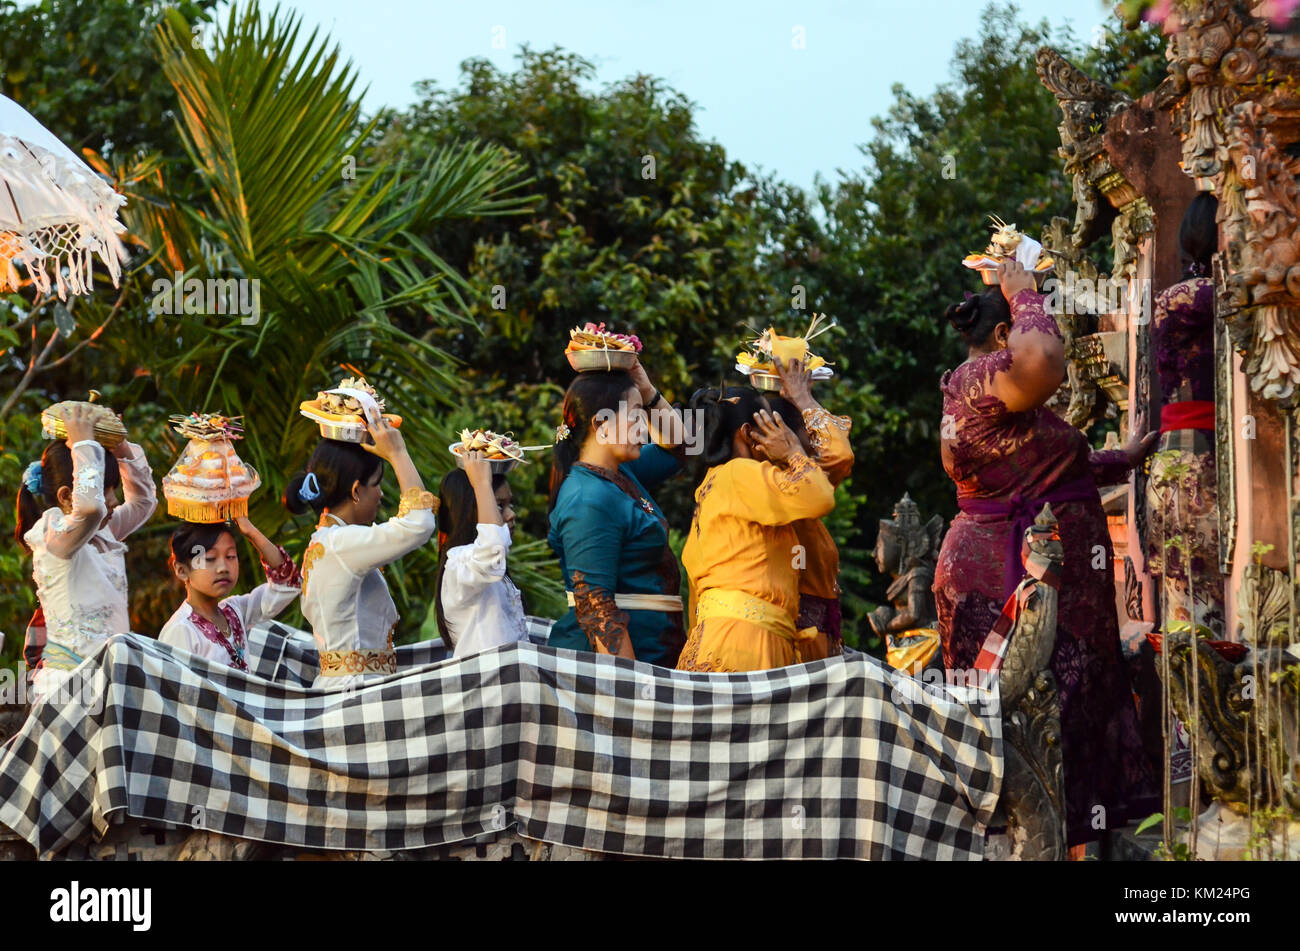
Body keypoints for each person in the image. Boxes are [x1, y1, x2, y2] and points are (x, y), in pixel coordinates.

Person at [934, 259, 1159, 850]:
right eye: (1036, 324)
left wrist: (1123, 459)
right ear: (1007, 335)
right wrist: (1026, 293)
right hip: (1009, 576)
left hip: (1037, 571)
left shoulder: (1000, 401)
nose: (1045, 330)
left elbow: (1051, 467)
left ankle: (1060, 838)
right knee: (1028, 714)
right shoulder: (980, 378)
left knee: (1059, 711)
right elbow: (1044, 362)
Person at [676, 388, 836, 672]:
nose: (781, 433)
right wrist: (793, 452)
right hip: (748, 644)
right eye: (772, 424)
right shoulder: (741, 473)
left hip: (711, 641)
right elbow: (820, 496)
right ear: (749, 432)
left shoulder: (709, 487)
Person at [15, 403, 157, 702]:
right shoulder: (53, 537)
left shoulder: (104, 531)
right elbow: (91, 508)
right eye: (108, 488)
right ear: (67, 496)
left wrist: (119, 447)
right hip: (68, 693)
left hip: (110, 686)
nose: (115, 500)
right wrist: (84, 442)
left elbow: (144, 503)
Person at [547, 362, 687, 665]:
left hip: (653, 654)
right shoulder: (589, 498)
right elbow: (597, 609)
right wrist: (630, 692)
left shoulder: (623, 472)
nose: (645, 425)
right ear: (601, 425)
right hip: (620, 669)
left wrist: (647, 391)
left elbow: (681, 444)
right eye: (637, 416)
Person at [284, 419, 437, 690]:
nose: (380, 494)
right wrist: (398, 454)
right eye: (377, 484)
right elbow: (419, 524)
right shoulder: (341, 544)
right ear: (356, 490)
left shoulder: (329, 540)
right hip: (356, 693)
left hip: (349, 688)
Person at [1146, 192, 1223, 636]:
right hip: (1190, 469)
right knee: (1198, 615)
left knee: (1192, 610)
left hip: (1182, 465)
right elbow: (1236, 295)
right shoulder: (1181, 298)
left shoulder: (1182, 295)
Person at [764, 355, 855, 653]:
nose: (815, 443)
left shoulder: (798, 482)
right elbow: (839, 456)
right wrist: (802, 397)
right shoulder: (779, 485)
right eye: (809, 435)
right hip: (793, 651)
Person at [158, 517, 302, 671]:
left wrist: (251, 532)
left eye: (230, 556)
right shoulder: (181, 630)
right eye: (210, 559)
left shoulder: (234, 611)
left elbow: (289, 583)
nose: (223, 568)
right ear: (181, 570)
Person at [435, 450, 526, 657]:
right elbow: (492, 547)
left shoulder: (488, 568)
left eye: (509, 505)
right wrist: (482, 485)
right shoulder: (459, 566)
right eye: (498, 505)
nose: (511, 515)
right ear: (468, 510)